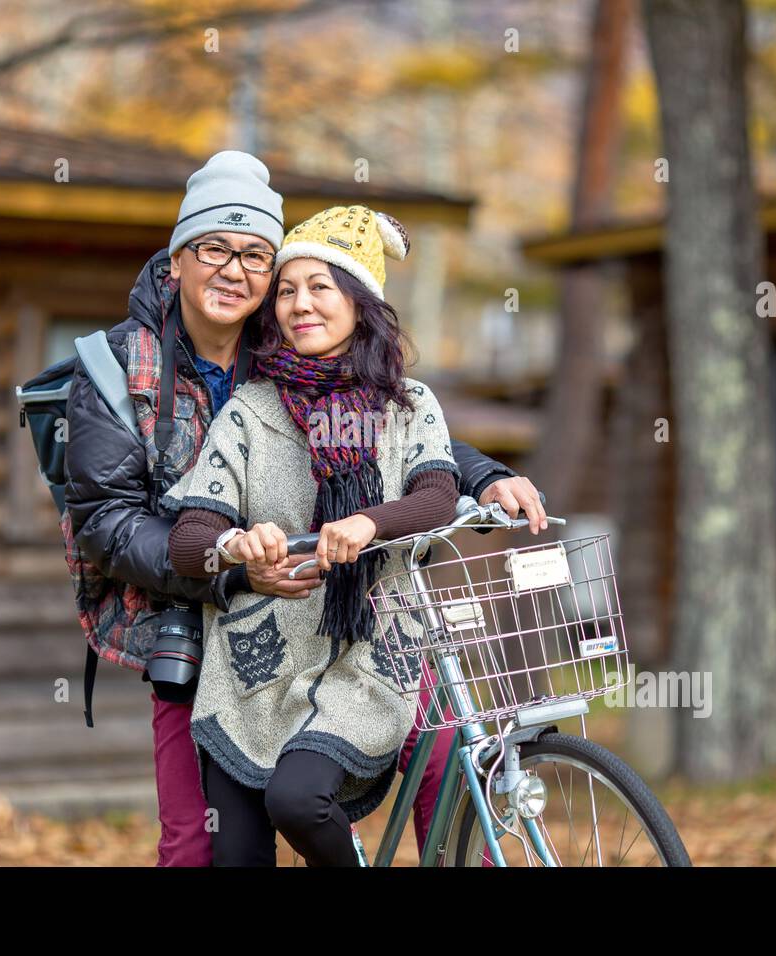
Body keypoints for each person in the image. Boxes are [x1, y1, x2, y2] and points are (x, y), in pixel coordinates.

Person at [64, 151, 547, 866]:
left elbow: (396, 421)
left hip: (354, 613)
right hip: (193, 618)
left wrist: (483, 474)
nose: (236, 271)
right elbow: (105, 522)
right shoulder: (118, 367)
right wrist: (233, 567)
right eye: (214, 249)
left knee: (444, 758)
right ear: (176, 261)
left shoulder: (285, 340)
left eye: (256, 255)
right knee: (201, 845)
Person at [164, 204, 506, 865]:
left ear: (359, 301)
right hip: (252, 670)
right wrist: (236, 545)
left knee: (297, 799)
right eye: (287, 290)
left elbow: (436, 497)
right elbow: (189, 537)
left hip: (366, 660)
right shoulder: (249, 412)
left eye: (320, 287)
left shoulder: (408, 405)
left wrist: (366, 522)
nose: (300, 304)